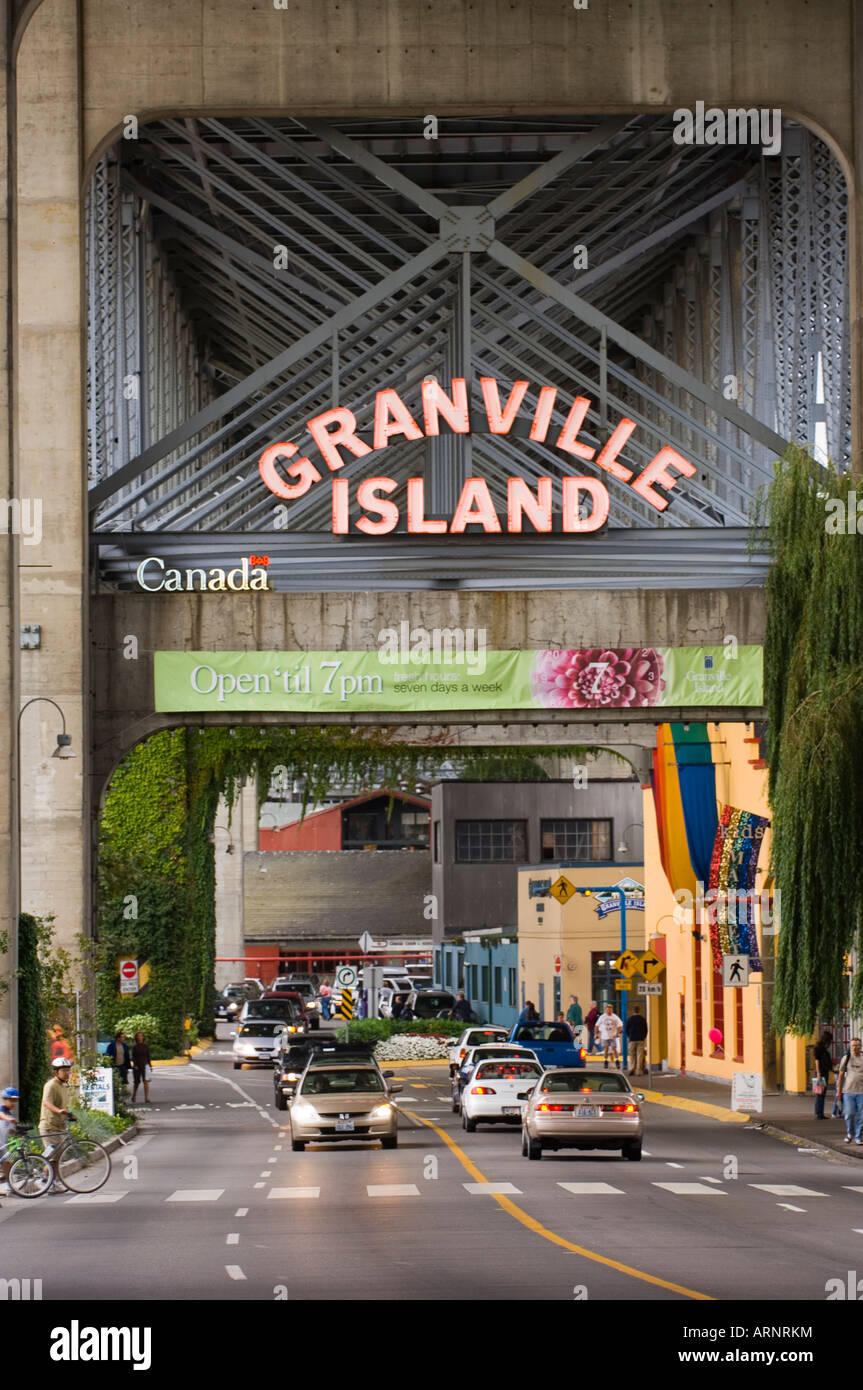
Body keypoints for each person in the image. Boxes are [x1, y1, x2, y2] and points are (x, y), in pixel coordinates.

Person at [40, 1056, 73, 1192]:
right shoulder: (51, 1085)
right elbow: (46, 1103)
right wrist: (59, 1111)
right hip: (49, 1126)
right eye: (64, 1070)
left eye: (68, 1070)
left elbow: (64, 1105)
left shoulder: (64, 1086)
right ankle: (44, 1180)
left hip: (60, 1127)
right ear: (56, 1072)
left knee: (58, 1158)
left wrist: (69, 1114)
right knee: (52, 1158)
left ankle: (53, 1182)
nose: (67, 1073)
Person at [836, 1037, 863, 1144]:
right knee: (849, 1114)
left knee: (862, 1116)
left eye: (857, 1045)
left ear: (860, 1046)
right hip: (848, 1091)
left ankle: (858, 1136)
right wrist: (839, 1090)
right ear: (850, 1046)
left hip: (861, 1091)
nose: (855, 1047)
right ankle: (849, 1133)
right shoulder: (846, 1058)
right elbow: (841, 1074)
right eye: (853, 1045)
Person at [0, 1087, 19, 1193]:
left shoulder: (10, 1114)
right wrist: (9, 1119)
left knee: (7, 1162)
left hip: (2, 1143)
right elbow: (1, 1116)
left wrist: (16, 1131)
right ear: (5, 1100)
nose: (13, 1103)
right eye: (11, 1100)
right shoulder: (2, 1110)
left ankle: (8, 1184)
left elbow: (10, 1130)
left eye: (15, 1101)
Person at [812, 1030, 833, 1120]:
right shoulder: (818, 1049)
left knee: (822, 1093)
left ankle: (820, 1112)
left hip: (824, 1072)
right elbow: (817, 1061)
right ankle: (818, 1113)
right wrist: (819, 1073)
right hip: (821, 1073)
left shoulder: (822, 1049)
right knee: (820, 1093)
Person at [595, 1004, 623, 1068]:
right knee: (606, 1049)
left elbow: (620, 1026)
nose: (609, 1011)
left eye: (610, 1009)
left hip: (613, 1036)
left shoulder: (615, 1017)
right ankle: (605, 1061)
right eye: (607, 1010)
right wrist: (596, 1034)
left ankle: (617, 1061)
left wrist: (617, 1033)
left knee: (614, 1048)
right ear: (606, 1010)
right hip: (605, 1036)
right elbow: (596, 1025)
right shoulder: (602, 1017)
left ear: (612, 1010)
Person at [625, 1005, 648, 1076]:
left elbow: (626, 1029)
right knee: (640, 1055)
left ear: (633, 1011)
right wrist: (643, 1037)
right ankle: (638, 1070)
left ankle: (632, 1068)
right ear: (639, 1011)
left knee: (632, 1054)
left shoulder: (630, 1019)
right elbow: (646, 1030)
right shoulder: (642, 1019)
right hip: (640, 1039)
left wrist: (629, 1036)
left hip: (632, 1039)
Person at [131, 1031, 152, 1104]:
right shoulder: (135, 1046)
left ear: (143, 1037)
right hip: (137, 1066)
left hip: (145, 1065)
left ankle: (146, 1097)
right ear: (136, 1038)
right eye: (138, 1036)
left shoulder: (146, 1046)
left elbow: (148, 1056)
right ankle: (134, 1095)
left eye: (141, 1036)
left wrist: (150, 1065)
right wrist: (135, 1065)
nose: (140, 1037)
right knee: (136, 1082)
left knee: (146, 1081)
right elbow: (133, 1057)